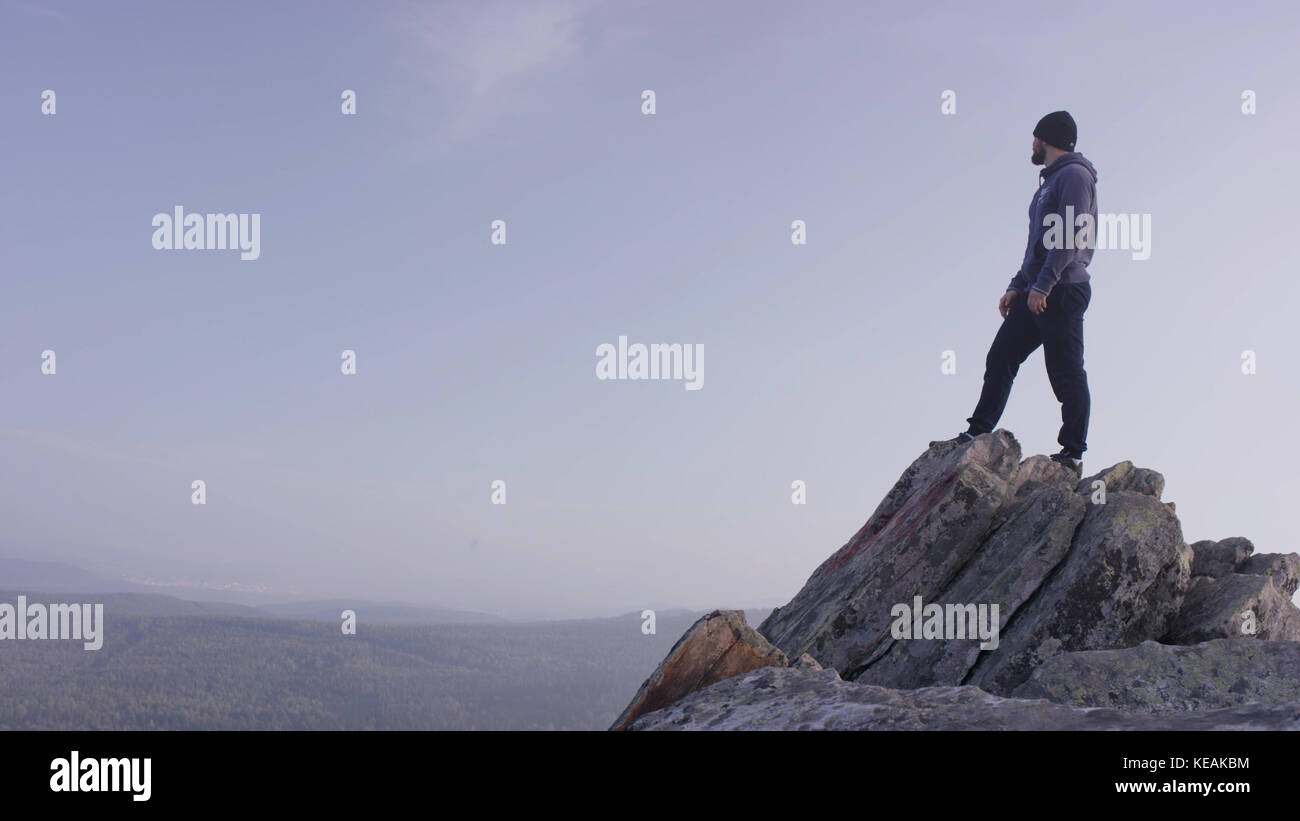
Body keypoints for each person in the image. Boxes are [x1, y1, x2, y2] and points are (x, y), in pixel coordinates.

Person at [935, 111, 1097, 475]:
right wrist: (1017, 285)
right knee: (1001, 357)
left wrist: (1043, 285)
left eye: (1035, 138)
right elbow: (1036, 245)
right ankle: (977, 433)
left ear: (1046, 138)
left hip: (1062, 289)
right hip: (1036, 290)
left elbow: (1069, 236)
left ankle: (1071, 455)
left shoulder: (1074, 175)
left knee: (1066, 373)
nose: (1032, 144)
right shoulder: (1047, 184)